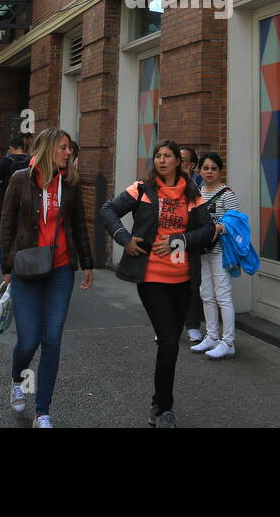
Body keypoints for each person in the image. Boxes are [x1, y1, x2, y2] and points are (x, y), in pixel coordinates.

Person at [100, 139, 213, 428]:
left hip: (184, 280)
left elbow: (208, 229)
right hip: (152, 278)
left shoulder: (193, 193)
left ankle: (158, 401)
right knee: (169, 343)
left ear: (179, 161)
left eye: (168, 156)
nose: (162, 160)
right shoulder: (142, 189)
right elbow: (107, 210)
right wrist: (124, 239)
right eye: (157, 156)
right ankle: (164, 409)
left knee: (171, 344)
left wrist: (181, 239)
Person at [0, 127, 95, 428]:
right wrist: (6, 266)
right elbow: (7, 224)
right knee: (28, 341)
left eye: (70, 148)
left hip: (60, 270)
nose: (69, 153)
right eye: (64, 147)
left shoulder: (71, 184)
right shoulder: (20, 180)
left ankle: (43, 411)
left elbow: (79, 224)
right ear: (48, 149)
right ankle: (18, 378)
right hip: (26, 269)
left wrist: (87, 261)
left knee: (52, 340)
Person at [190, 153, 239, 359]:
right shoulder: (198, 192)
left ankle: (228, 342)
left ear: (220, 171)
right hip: (202, 252)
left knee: (223, 297)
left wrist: (218, 227)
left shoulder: (227, 193)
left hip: (220, 252)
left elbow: (236, 222)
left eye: (213, 168)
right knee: (207, 295)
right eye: (205, 168)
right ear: (199, 170)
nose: (209, 172)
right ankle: (211, 336)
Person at [178, 146, 206, 343]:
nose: (178, 163)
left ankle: (193, 325)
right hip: (173, 243)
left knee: (193, 285)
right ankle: (169, 325)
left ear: (192, 165)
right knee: (171, 286)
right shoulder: (169, 183)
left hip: (193, 242)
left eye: (182, 160)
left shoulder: (199, 185)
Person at [0, 134, 30, 262]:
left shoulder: (6, 161)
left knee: (1, 235)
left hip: (5, 202)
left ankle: (6, 264)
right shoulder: (31, 160)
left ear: (11, 148)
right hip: (27, 202)